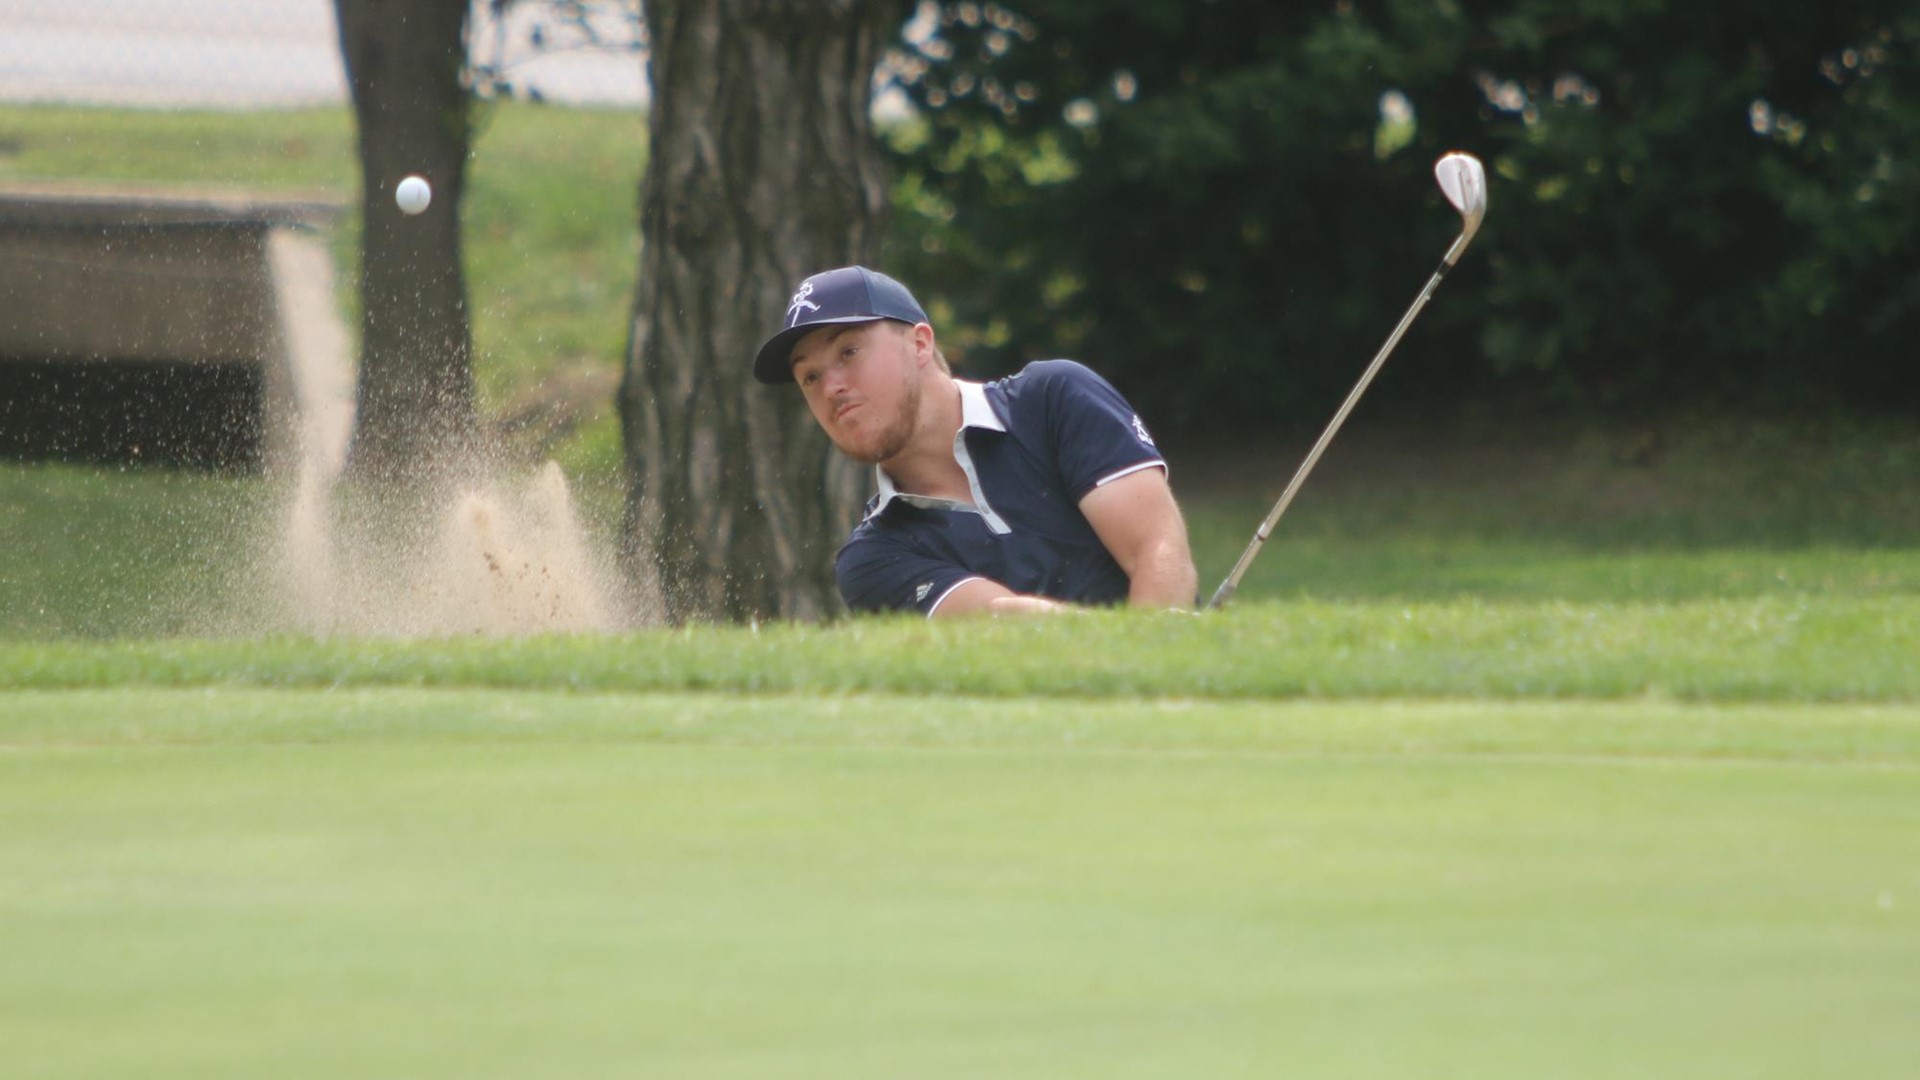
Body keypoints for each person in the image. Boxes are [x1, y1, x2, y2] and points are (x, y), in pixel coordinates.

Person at [753, 265, 1197, 618]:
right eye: (810, 376)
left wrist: (1156, 662)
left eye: (848, 352)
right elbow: (1010, 623)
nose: (830, 388)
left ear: (920, 344)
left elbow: (1157, 549)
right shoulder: (873, 559)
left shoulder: (1052, 398)